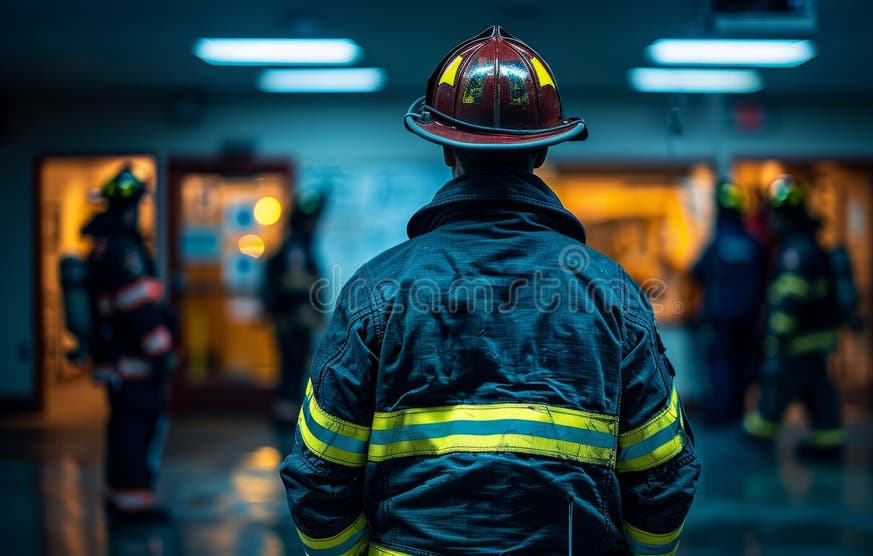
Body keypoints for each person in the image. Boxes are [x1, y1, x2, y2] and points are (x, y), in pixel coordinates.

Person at [279, 26, 700, 555]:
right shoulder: (612, 293)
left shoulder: (374, 290)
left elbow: (318, 474)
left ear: (445, 149)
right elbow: (664, 476)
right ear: (543, 150)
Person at [80, 165, 176, 520]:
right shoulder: (126, 251)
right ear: (133, 207)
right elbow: (139, 307)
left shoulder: (104, 247)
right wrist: (163, 352)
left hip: (117, 362)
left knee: (122, 431)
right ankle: (133, 505)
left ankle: (119, 497)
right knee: (135, 431)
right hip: (134, 364)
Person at [742, 175, 845, 454]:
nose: (772, 223)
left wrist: (775, 337)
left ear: (786, 217)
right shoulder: (811, 246)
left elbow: (790, 297)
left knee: (776, 385)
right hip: (817, 340)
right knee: (817, 391)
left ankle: (757, 434)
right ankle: (829, 439)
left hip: (795, 341)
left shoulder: (795, 252)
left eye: (775, 216)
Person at [692, 179, 765, 424]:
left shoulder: (719, 241)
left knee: (720, 365)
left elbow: (697, 271)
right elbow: (765, 277)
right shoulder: (754, 242)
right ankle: (738, 411)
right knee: (742, 364)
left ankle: (720, 412)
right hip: (748, 317)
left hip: (720, 318)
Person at [262, 190, 326, 424]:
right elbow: (296, 289)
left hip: (296, 325)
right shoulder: (295, 249)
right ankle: (285, 422)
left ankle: (287, 417)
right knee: (291, 370)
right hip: (292, 326)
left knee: (295, 369)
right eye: (310, 220)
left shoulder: (300, 246)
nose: (314, 225)